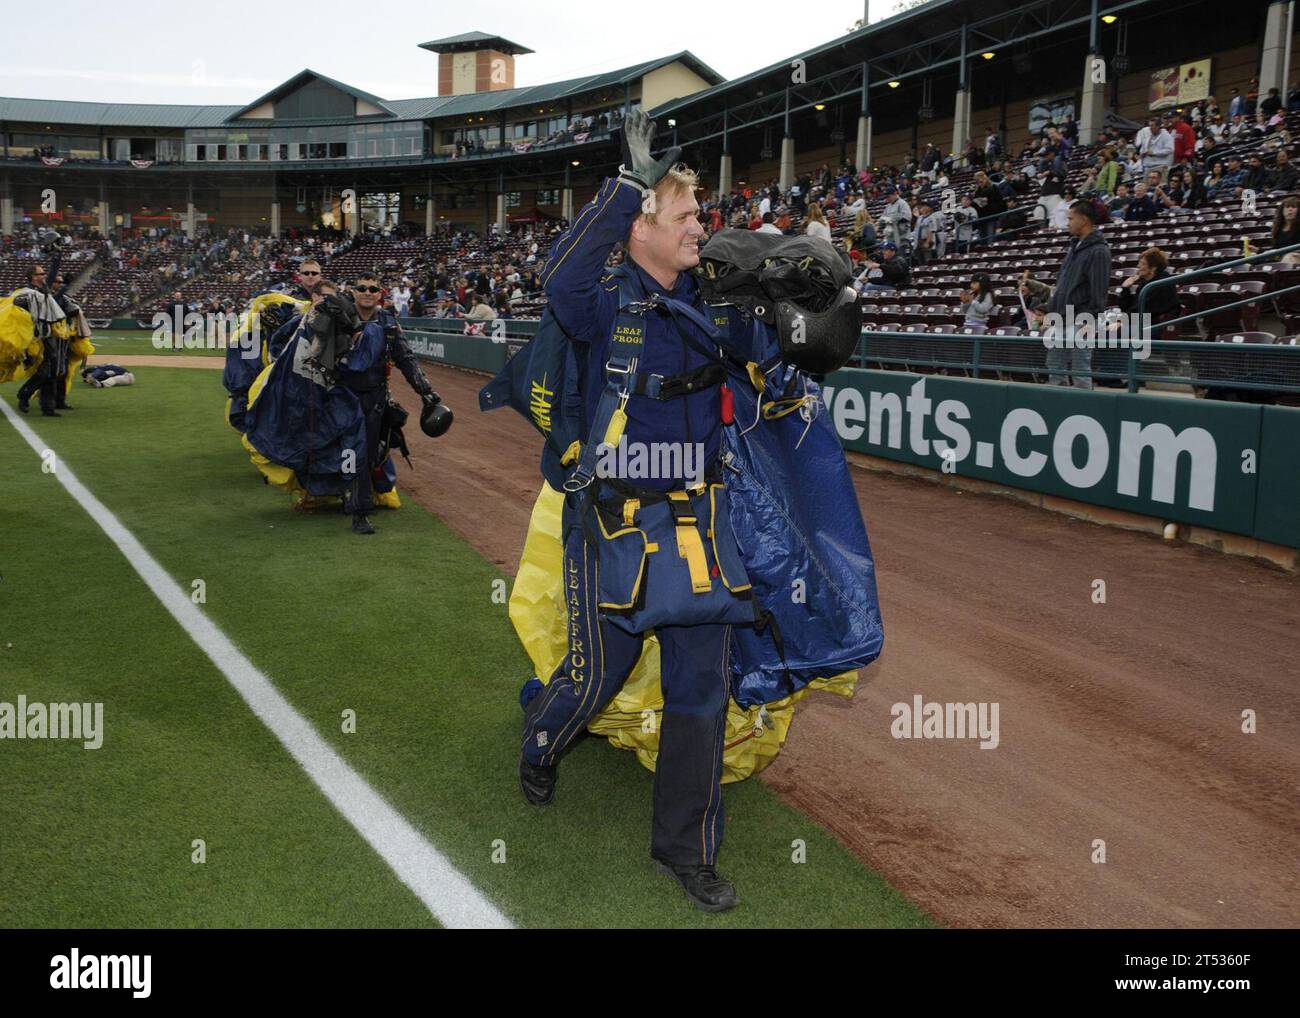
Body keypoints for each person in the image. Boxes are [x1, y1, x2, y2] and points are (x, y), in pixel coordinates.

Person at [515, 110, 763, 912]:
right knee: (595, 679)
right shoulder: (601, 304)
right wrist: (627, 188)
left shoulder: (715, 300)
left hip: (698, 527)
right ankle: (544, 742)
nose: (702, 225)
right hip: (615, 525)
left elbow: (778, 352)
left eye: (700, 213)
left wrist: (805, 291)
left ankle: (687, 852)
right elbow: (560, 282)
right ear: (643, 230)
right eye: (686, 213)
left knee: (701, 693)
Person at [333, 272, 444, 535]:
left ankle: (356, 498)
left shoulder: (388, 324)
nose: (368, 293)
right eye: (362, 288)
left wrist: (425, 390)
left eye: (373, 289)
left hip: (375, 397)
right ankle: (358, 508)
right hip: (343, 395)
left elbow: (405, 358)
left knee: (370, 453)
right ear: (354, 291)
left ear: (380, 293)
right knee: (350, 451)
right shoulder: (339, 318)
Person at [1043, 201, 1112, 389]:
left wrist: (1088, 320)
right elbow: (1061, 284)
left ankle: (1085, 408)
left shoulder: (1099, 251)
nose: (1068, 223)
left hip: (1081, 319)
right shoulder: (1074, 247)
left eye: (1071, 219)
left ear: (1084, 220)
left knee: (1080, 369)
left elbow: (1099, 291)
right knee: (1054, 366)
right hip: (1061, 317)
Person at [1118, 247, 1179, 319]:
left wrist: (1121, 321)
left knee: (1108, 328)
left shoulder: (1161, 284)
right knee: (1102, 323)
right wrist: (1125, 289)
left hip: (1153, 325)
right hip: (1139, 321)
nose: (1138, 266)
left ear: (1153, 268)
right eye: (1139, 263)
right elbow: (1128, 308)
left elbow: (1143, 310)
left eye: (1143, 264)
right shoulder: (1145, 283)